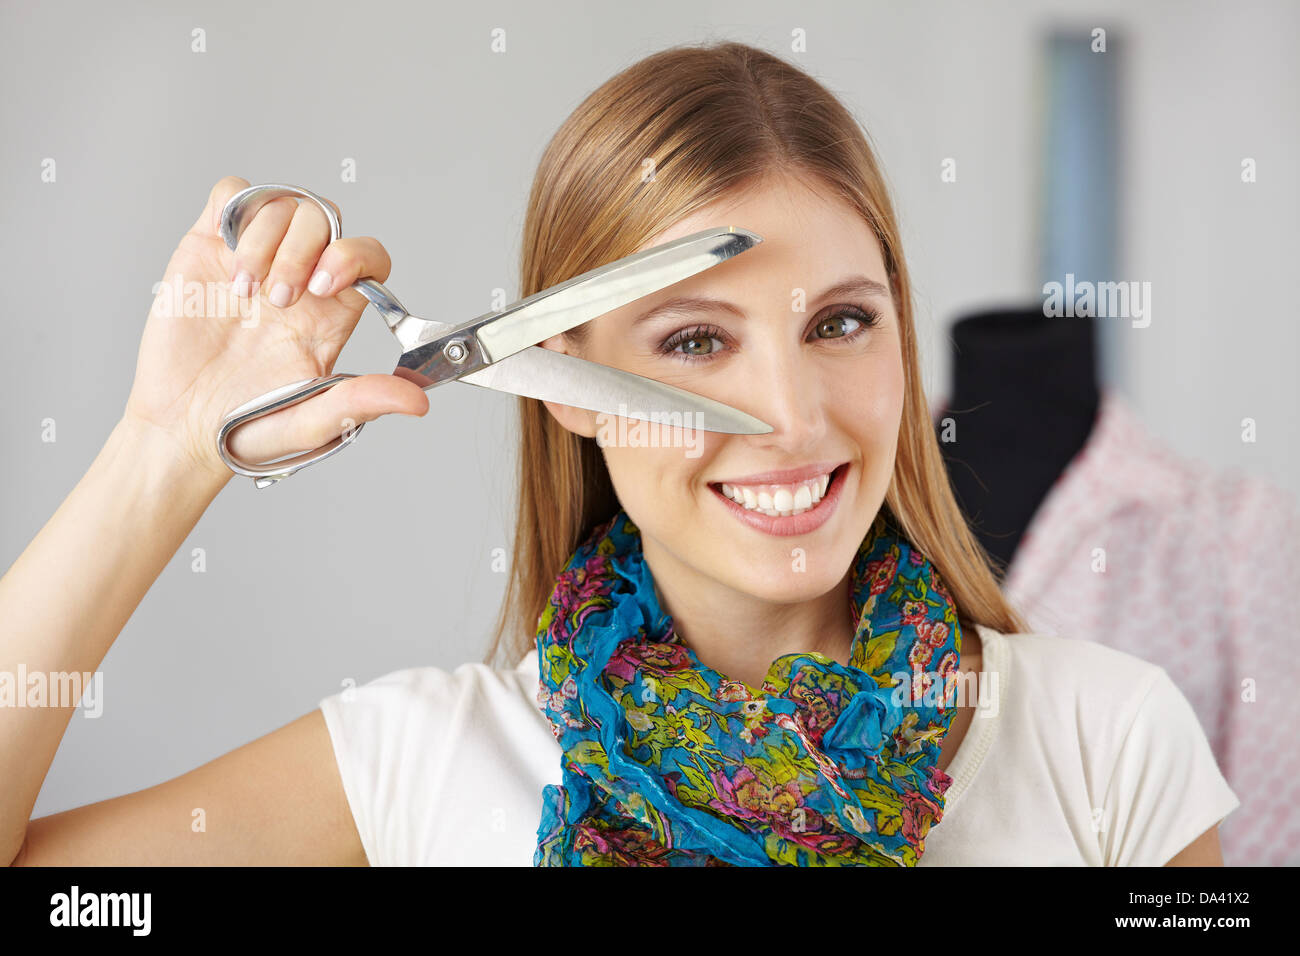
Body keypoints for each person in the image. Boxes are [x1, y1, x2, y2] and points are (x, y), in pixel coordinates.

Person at [1, 41, 1236, 866]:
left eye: (840, 322)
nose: (792, 415)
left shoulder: (1110, 740)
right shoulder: (420, 761)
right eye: (696, 339)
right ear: (566, 390)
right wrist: (161, 452)